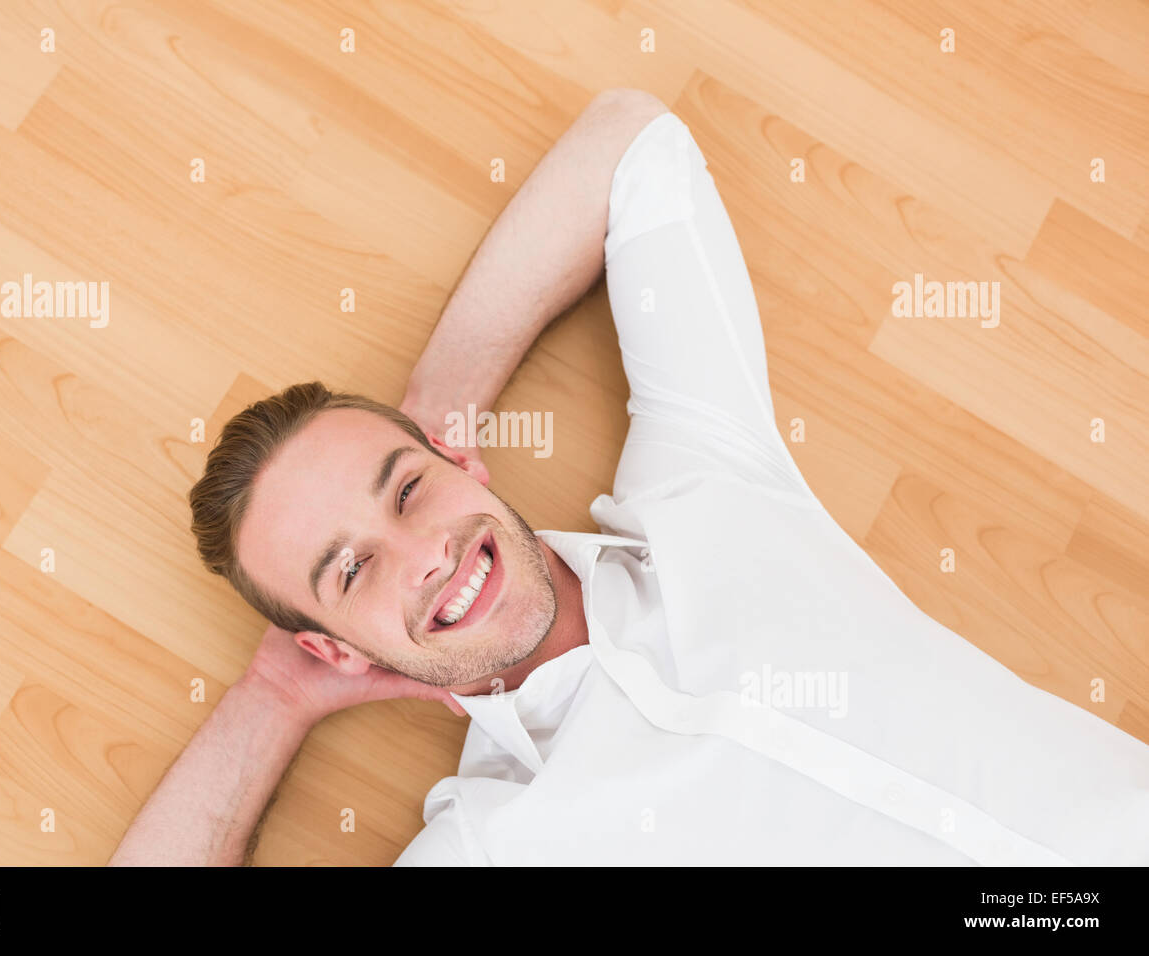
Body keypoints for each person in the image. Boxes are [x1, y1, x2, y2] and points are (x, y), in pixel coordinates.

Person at [110, 89, 1149, 866]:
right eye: (352, 567)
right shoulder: (493, 840)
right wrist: (277, 691)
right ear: (331, 640)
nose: (426, 550)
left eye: (407, 489)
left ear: (459, 459)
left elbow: (630, 143)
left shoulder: (706, 487)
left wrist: (436, 411)